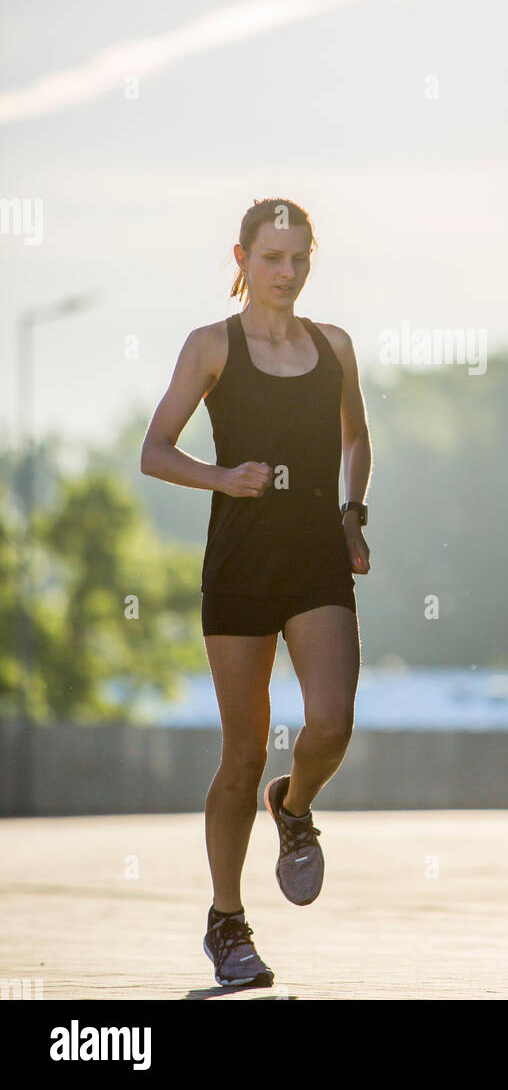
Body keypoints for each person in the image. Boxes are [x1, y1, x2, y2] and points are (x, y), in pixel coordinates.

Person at [140, 197, 372, 989]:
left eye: (300, 257)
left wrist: (352, 514)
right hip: (239, 565)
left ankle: (295, 807)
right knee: (242, 751)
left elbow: (356, 437)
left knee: (332, 722)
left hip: (316, 560)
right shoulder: (211, 345)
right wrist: (221, 478)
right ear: (242, 258)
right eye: (272, 257)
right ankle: (227, 921)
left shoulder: (333, 345)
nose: (288, 272)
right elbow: (154, 450)